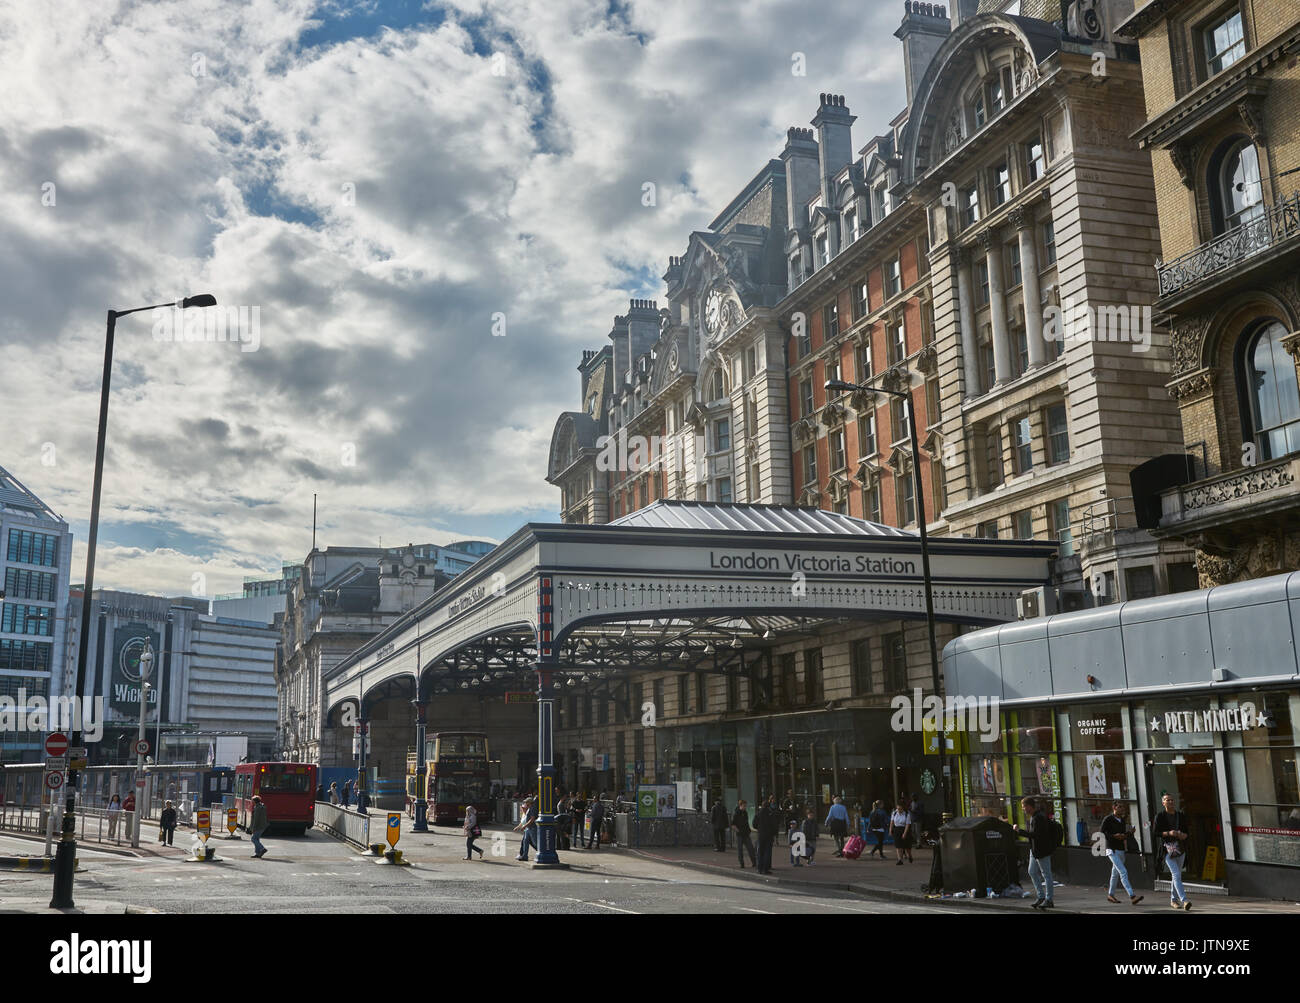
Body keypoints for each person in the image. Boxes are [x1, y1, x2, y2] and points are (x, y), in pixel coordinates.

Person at [1153, 793, 1192, 911]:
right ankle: (1184, 900)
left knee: (1177, 875)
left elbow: (1186, 832)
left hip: (1180, 848)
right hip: (1167, 849)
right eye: (1167, 800)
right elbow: (1155, 833)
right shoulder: (1159, 816)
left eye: (1171, 800)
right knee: (1176, 874)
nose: (1170, 802)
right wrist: (1168, 833)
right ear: (1163, 803)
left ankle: (1173, 900)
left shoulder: (1180, 815)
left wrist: (1182, 835)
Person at [1014, 796, 1053, 909]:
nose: (1023, 809)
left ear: (1029, 806)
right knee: (1032, 872)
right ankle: (1041, 896)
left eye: (1024, 807)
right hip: (1034, 850)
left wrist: (1018, 831)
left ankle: (1049, 899)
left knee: (1047, 875)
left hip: (1042, 850)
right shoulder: (1035, 817)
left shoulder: (1038, 818)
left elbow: (1035, 835)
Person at [1100, 801, 1143, 905]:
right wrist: (1114, 836)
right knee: (1123, 872)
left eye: (1122, 807)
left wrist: (1129, 833)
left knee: (1115, 874)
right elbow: (1102, 832)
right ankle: (1132, 896)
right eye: (1119, 807)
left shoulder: (1122, 820)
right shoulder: (1108, 819)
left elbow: (1123, 835)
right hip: (1111, 850)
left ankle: (1111, 895)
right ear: (1114, 808)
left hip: (1121, 850)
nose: (1122, 809)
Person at [754, 795, 780, 874]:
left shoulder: (758, 813)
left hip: (761, 834)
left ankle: (759, 868)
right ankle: (765, 869)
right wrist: (774, 834)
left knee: (760, 852)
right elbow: (774, 825)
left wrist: (759, 829)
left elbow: (754, 824)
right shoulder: (771, 814)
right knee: (767, 852)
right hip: (769, 835)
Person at [732, 799, 756, 868]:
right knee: (740, 850)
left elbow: (746, 822)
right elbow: (733, 824)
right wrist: (738, 830)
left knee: (750, 848)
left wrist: (748, 830)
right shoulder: (736, 813)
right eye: (744, 806)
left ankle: (754, 862)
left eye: (745, 806)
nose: (745, 807)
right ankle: (742, 863)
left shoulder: (745, 813)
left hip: (746, 833)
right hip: (740, 834)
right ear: (740, 805)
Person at [514, 796, 538, 861]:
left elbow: (532, 819)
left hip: (532, 828)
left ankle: (540, 852)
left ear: (530, 802)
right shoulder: (530, 808)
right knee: (525, 841)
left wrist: (525, 826)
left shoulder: (532, 808)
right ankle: (524, 856)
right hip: (528, 828)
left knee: (535, 842)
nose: (526, 803)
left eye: (527, 802)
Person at [890, 800, 912, 865]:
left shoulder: (907, 814)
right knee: (898, 846)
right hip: (897, 829)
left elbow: (908, 825)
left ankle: (910, 856)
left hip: (904, 829)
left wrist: (904, 833)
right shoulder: (894, 813)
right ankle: (900, 859)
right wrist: (890, 830)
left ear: (903, 808)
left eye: (900, 809)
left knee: (907, 847)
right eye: (898, 808)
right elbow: (892, 822)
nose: (899, 810)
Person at [908, 793, 924, 857]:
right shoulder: (912, 803)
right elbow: (910, 809)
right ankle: (916, 842)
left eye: (914, 797)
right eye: (912, 797)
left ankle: (919, 844)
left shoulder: (919, 803)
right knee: (913, 831)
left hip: (918, 819)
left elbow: (921, 812)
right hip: (912, 819)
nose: (912, 798)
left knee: (918, 832)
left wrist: (913, 811)